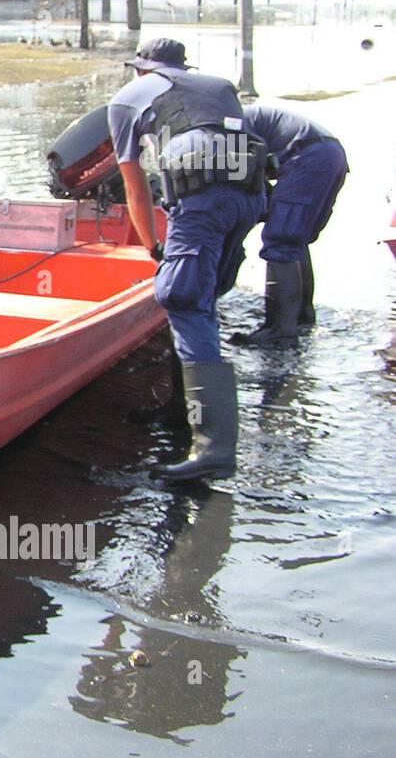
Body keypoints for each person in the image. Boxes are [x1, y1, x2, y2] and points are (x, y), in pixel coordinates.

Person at [107, 38, 267, 482]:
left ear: (141, 69)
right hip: (251, 196)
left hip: (203, 200)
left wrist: (152, 247)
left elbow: (135, 187)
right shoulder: (217, 85)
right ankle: (182, 412)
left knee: (181, 298)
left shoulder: (126, 100)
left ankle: (213, 449)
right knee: (204, 297)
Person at [230, 104, 349, 344]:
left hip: (307, 158)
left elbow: (246, 182)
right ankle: (301, 316)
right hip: (330, 154)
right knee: (295, 240)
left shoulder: (230, 123)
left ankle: (279, 329)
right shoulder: (241, 116)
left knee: (280, 241)